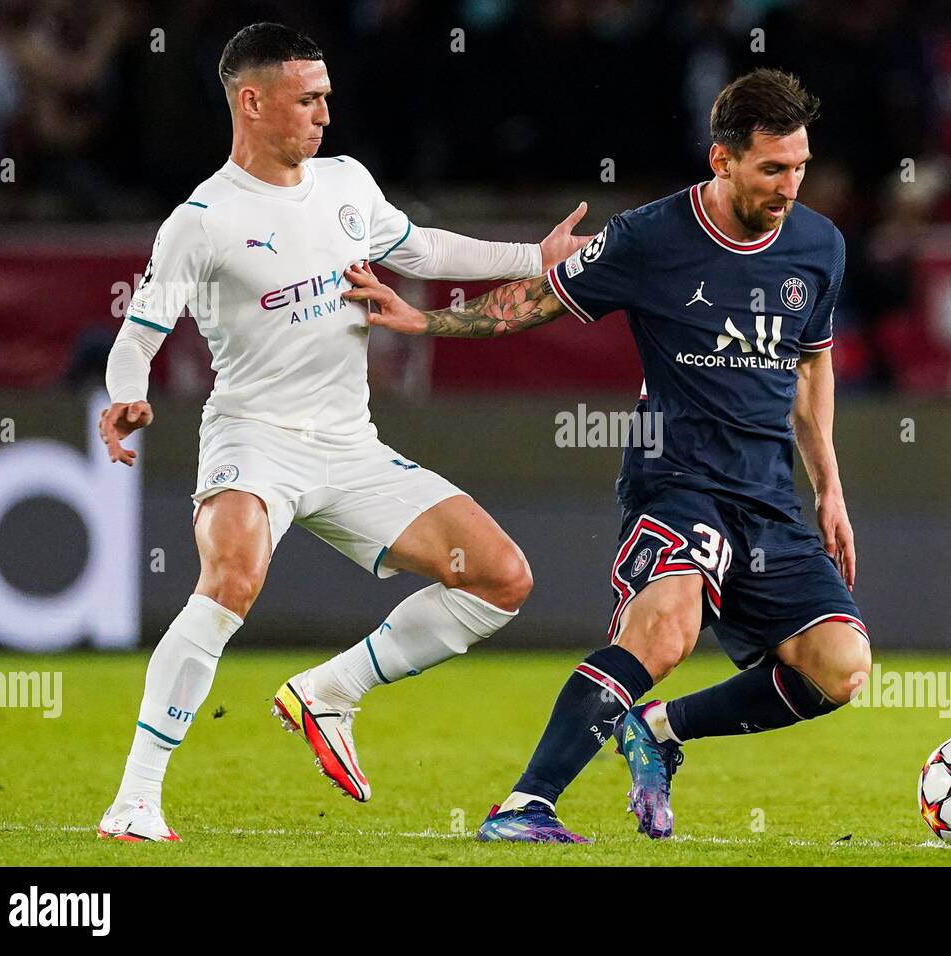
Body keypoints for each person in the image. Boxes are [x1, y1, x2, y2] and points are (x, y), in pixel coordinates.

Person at [340, 68, 872, 843]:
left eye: (799, 167)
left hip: (769, 499)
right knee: (665, 632)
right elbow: (535, 299)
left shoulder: (819, 245)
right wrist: (425, 325)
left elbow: (812, 365)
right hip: (678, 482)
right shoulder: (651, 236)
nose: (790, 186)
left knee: (841, 666)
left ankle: (659, 731)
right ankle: (525, 805)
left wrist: (830, 489)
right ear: (721, 160)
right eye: (772, 169)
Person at [95, 22, 587, 842]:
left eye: (328, 96)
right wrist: (126, 396)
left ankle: (330, 692)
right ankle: (136, 801)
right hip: (253, 440)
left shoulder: (346, 184)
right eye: (308, 98)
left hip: (351, 446)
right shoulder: (203, 220)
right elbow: (138, 334)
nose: (326, 113)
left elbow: (423, 250)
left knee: (502, 577)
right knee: (232, 580)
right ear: (252, 102)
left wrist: (533, 258)